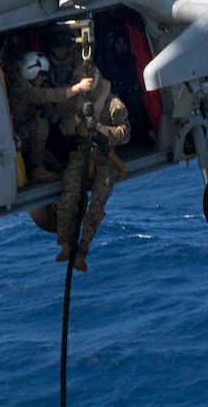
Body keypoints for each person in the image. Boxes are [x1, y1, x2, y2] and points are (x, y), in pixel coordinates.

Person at [55, 66, 130, 272]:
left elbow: (125, 134)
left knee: (97, 203)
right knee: (68, 197)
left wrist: (99, 128)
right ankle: (66, 245)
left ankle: (82, 251)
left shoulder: (113, 105)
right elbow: (63, 129)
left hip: (104, 157)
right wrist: (79, 117)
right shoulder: (74, 104)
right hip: (80, 153)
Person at [9, 51, 92, 183]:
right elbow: (49, 95)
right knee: (41, 124)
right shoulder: (22, 91)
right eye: (42, 74)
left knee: (56, 166)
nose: (44, 78)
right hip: (17, 138)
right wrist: (78, 88)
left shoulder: (23, 86)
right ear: (31, 72)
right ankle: (36, 170)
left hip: (24, 136)